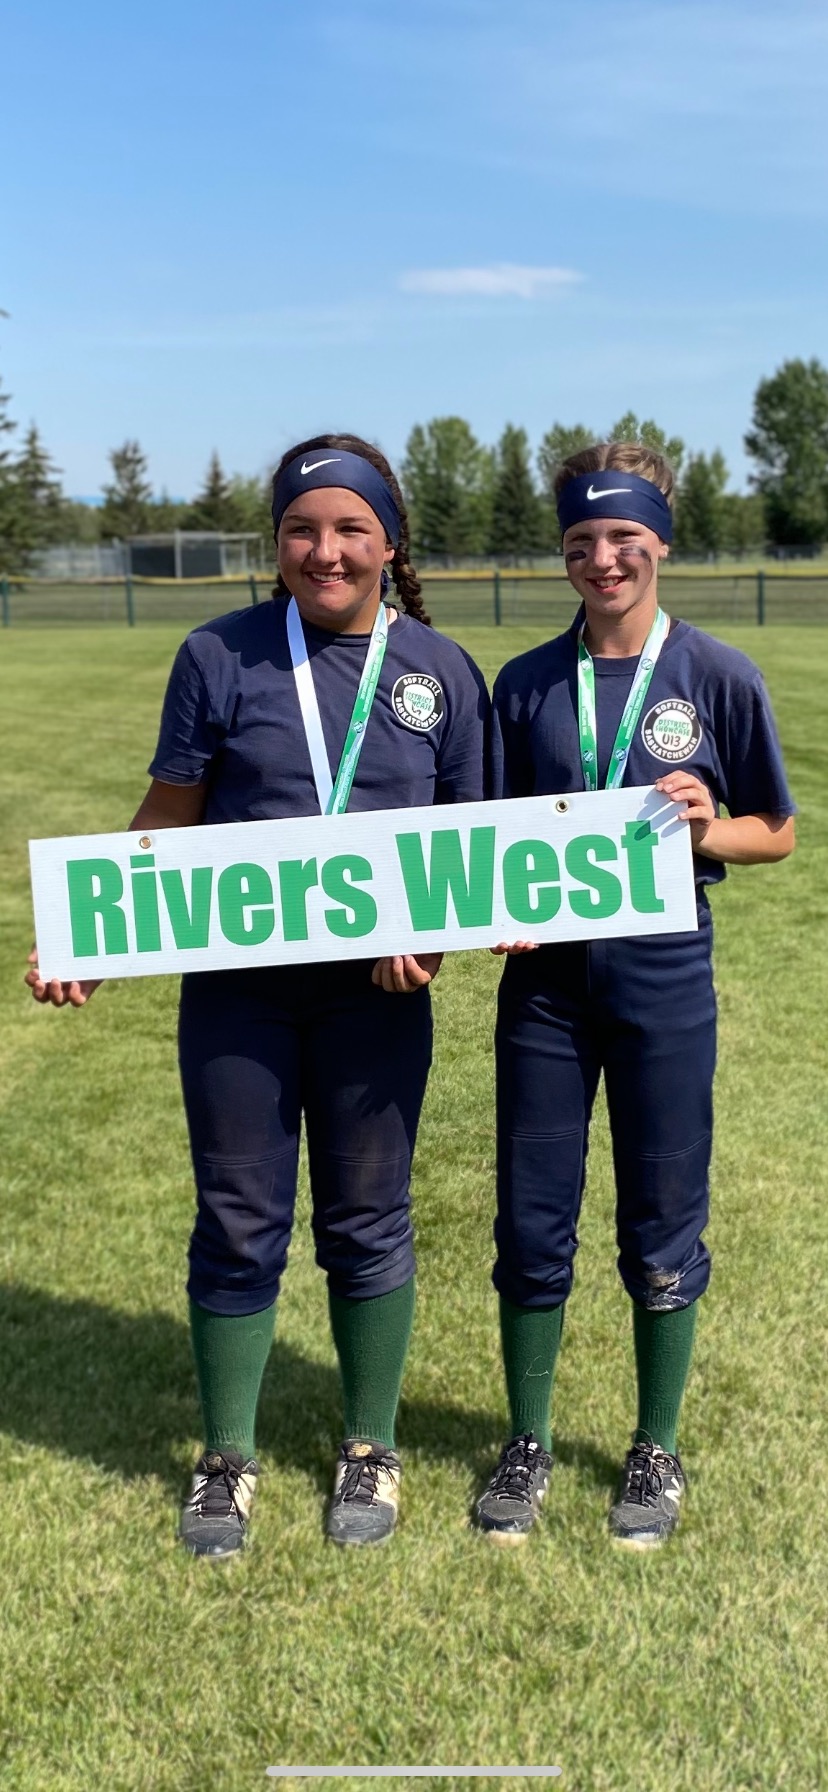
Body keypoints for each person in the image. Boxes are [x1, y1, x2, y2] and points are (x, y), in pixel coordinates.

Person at [27, 433, 490, 1558]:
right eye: (301, 529)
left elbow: (476, 857)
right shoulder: (217, 656)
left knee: (366, 1221)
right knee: (238, 1222)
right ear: (275, 541)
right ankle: (227, 1456)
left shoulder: (441, 670)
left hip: (374, 1003)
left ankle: (368, 1448)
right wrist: (87, 933)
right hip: (239, 997)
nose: (323, 551)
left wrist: (431, 939)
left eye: (348, 529)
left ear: (390, 541)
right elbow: (170, 814)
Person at [475, 442, 795, 1550]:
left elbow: (780, 832)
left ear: (660, 540)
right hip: (546, 993)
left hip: (665, 981)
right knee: (531, 1219)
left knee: (662, 1219)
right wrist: (491, 902)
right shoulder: (521, 685)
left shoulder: (716, 674)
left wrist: (710, 826)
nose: (601, 559)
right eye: (579, 541)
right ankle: (527, 1439)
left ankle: (655, 1444)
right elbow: (485, 845)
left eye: (621, 538)